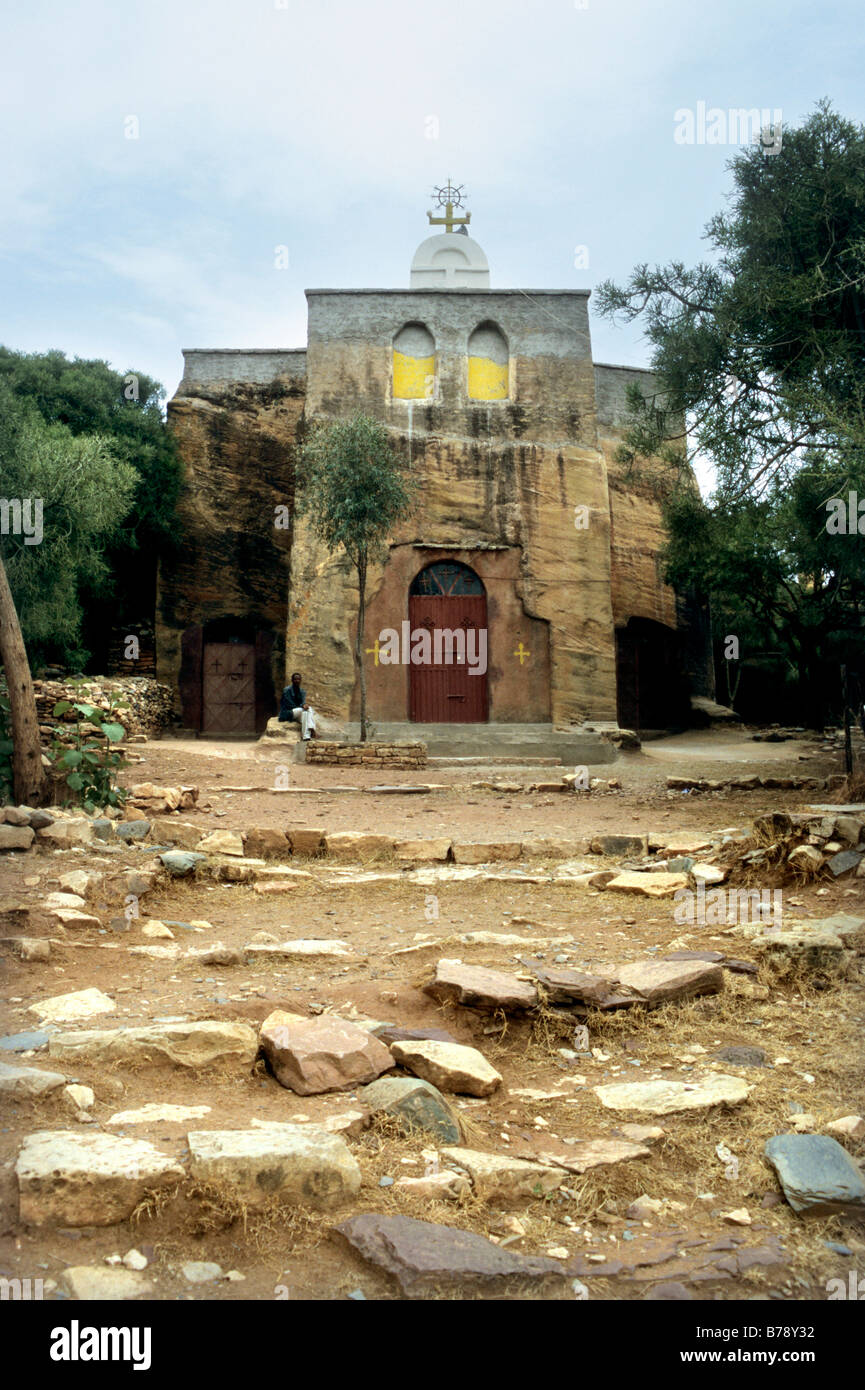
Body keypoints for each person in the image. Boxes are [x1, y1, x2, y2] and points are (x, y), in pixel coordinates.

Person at [278, 672, 317, 740]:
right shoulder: (287, 690)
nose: (297, 681)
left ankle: (306, 737)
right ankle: (312, 728)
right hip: (288, 713)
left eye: (298, 679)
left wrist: (304, 705)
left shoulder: (302, 692)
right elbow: (289, 704)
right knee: (305, 709)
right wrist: (302, 706)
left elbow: (303, 703)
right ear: (292, 680)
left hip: (298, 712)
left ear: (300, 680)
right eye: (295, 679)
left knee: (306, 712)